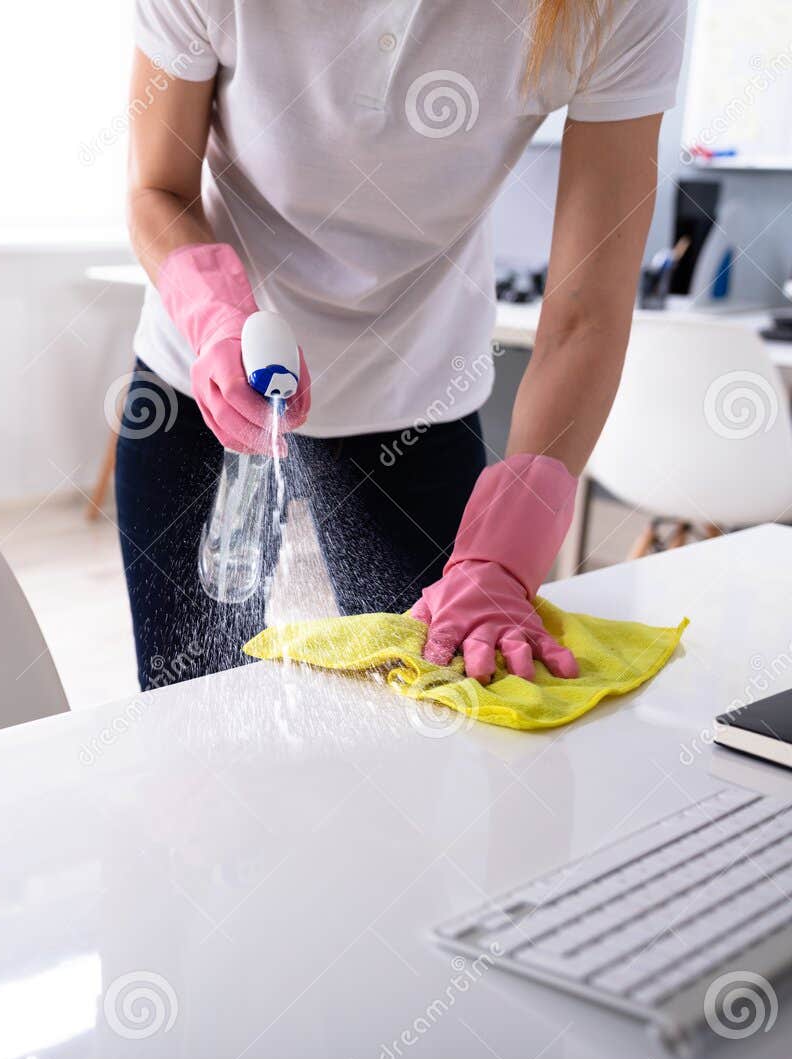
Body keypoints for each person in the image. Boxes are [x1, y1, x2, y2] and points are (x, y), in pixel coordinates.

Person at [118, 0, 685, 690]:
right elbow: (158, 187)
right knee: (189, 709)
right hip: (203, 375)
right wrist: (215, 313)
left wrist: (502, 559)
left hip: (416, 390)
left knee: (441, 717)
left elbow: (585, 311)